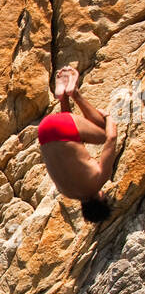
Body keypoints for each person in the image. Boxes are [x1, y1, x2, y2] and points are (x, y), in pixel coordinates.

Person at [37, 66, 117, 222]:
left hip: (63, 129)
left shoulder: (99, 180)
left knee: (103, 134)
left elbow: (111, 138)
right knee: (75, 140)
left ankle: (74, 92)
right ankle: (63, 97)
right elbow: (68, 145)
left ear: (102, 198)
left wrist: (108, 118)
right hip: (44, 133)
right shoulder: (66, 192)